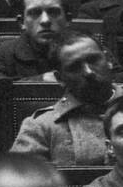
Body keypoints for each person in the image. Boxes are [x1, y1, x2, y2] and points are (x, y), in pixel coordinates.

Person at [10, 33, 117, 164]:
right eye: (75, 67)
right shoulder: (42, 127)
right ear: (60, 78)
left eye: (94, 60)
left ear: (108, 60)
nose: (88, 72)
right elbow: (20, 179)